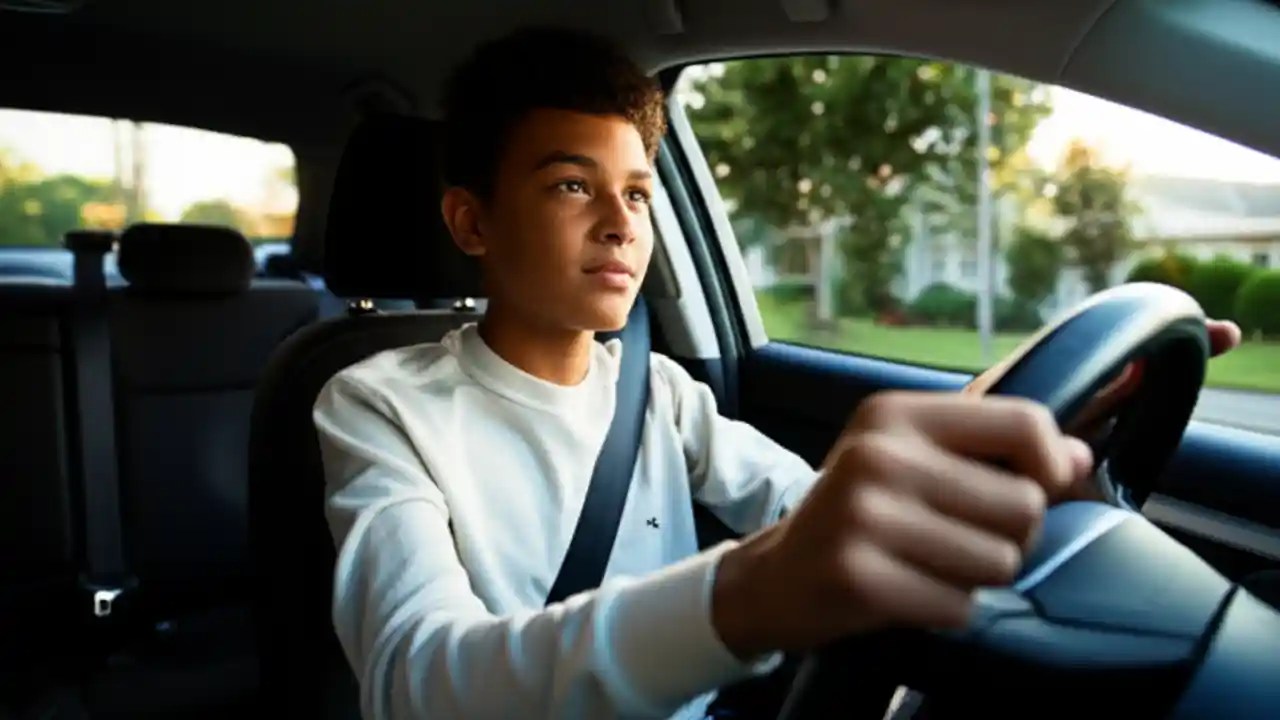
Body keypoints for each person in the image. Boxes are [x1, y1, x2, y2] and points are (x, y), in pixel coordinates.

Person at [312, 27, 1242, 720]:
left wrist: (1008, 409)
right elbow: (415, 682)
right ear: (472, 224)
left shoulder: (660, 391)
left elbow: (813, 512)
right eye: (570, 185)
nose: (621, 222)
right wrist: (746, 594)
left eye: (636, 191)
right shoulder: (376, 404)